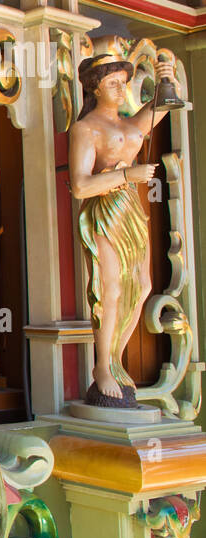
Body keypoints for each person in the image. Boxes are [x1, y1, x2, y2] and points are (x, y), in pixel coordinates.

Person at [68, 53, 180, 408]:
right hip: (104, 209)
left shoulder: (130, 126)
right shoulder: (86, 129)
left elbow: (165, 102)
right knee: (110, 288)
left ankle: (115, 358)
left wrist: (167, 75)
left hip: (130, 209)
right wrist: (126, 175)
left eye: (123, 81)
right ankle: (101, 367)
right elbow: (80, 187)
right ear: (95, 86)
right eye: (113, 82)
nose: (121, 88)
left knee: (143, 285)